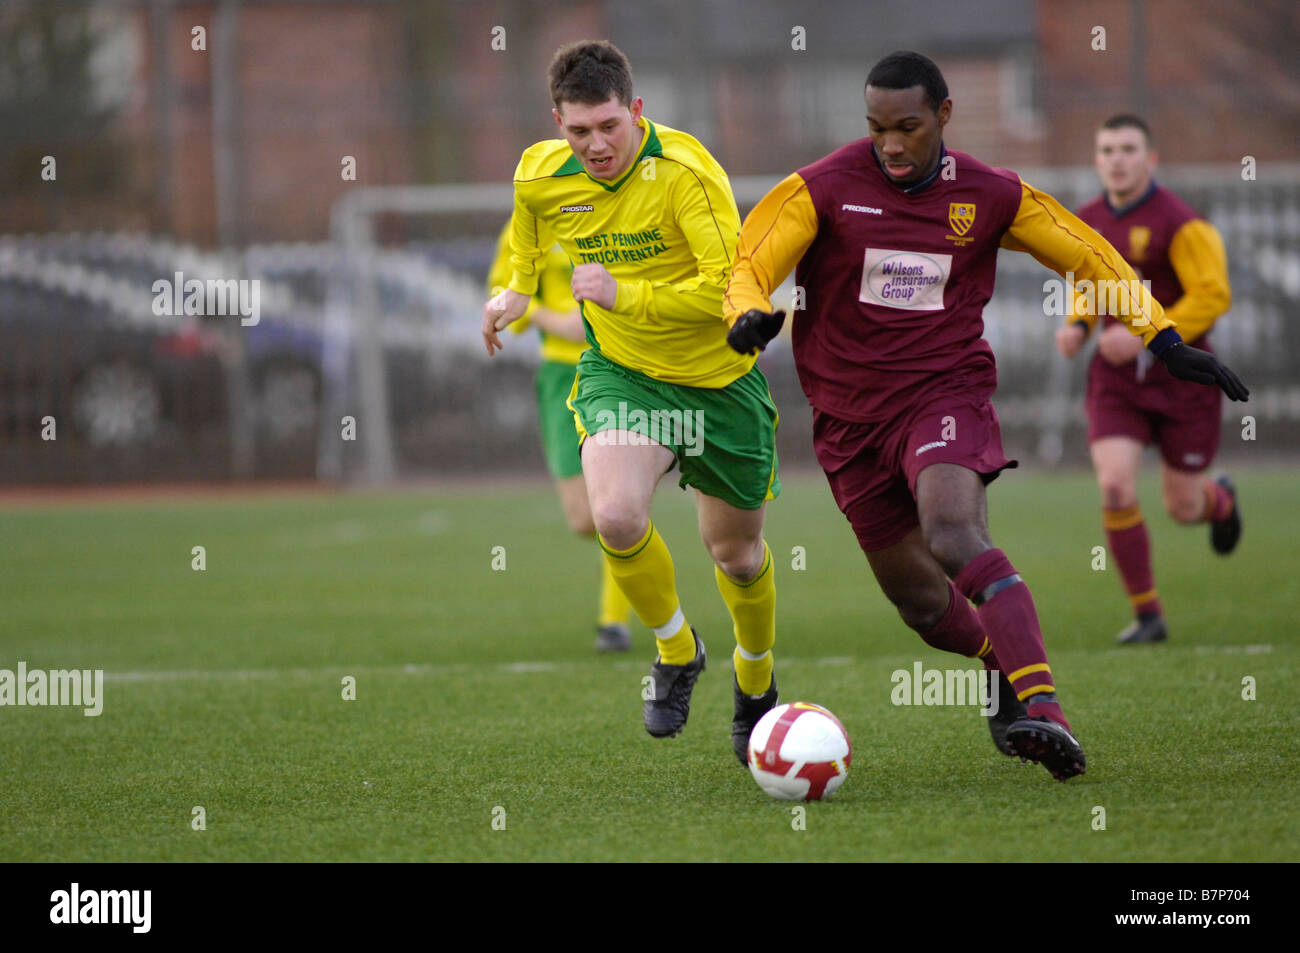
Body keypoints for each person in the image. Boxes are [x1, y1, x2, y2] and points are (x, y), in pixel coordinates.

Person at [723, 51, 1248, 782]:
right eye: (877, 128)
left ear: (943, 115)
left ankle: (1044, 708)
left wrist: (1160, 334)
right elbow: (753, 258)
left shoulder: (991, 193)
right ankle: (997, 665)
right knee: (917, 601)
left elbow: (1086, 255)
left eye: (907, 126)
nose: (892, 144)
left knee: (952, 531)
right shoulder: (822, 186)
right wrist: (747, 311)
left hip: (945, 391)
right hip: (848, 422)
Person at [482, 41, 783, 763]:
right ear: (558, 120)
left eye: (609, 127)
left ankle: (755, 679)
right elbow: (527, 236)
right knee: (613, 515)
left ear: (636, 112)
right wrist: (517, 289)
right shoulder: (539, 172)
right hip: (625, 374)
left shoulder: (687, 172)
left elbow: (729, 289)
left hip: (718, 381)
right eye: (578, 130)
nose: (595, 145)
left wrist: (628, 293)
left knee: (736, 554)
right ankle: (677, 651)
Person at [1056, 114, 1239, 645]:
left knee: (1183, 508)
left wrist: (1144, 336)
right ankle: (1148, 615)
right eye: (1107, 149)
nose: (1117, 158)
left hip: (1184, 380)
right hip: (1116, 381)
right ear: (1096, 160)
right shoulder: (1085, 220)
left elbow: (1213, 295)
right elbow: (1087, 284)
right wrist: (1077, 325)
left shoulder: (1182, 223)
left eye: (1128, 148)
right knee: (1114, 486)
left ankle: (1220, 502)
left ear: (1151, 159)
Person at [486, 222, 634, 652]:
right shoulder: (527, 219)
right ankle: (637, 543)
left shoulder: (621, 207)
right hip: (559, 375)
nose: (590, 150)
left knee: (617, 506)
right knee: (584, 518)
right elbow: (500, 289)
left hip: (619, 371)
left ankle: (614, 621)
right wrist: (552, 318)